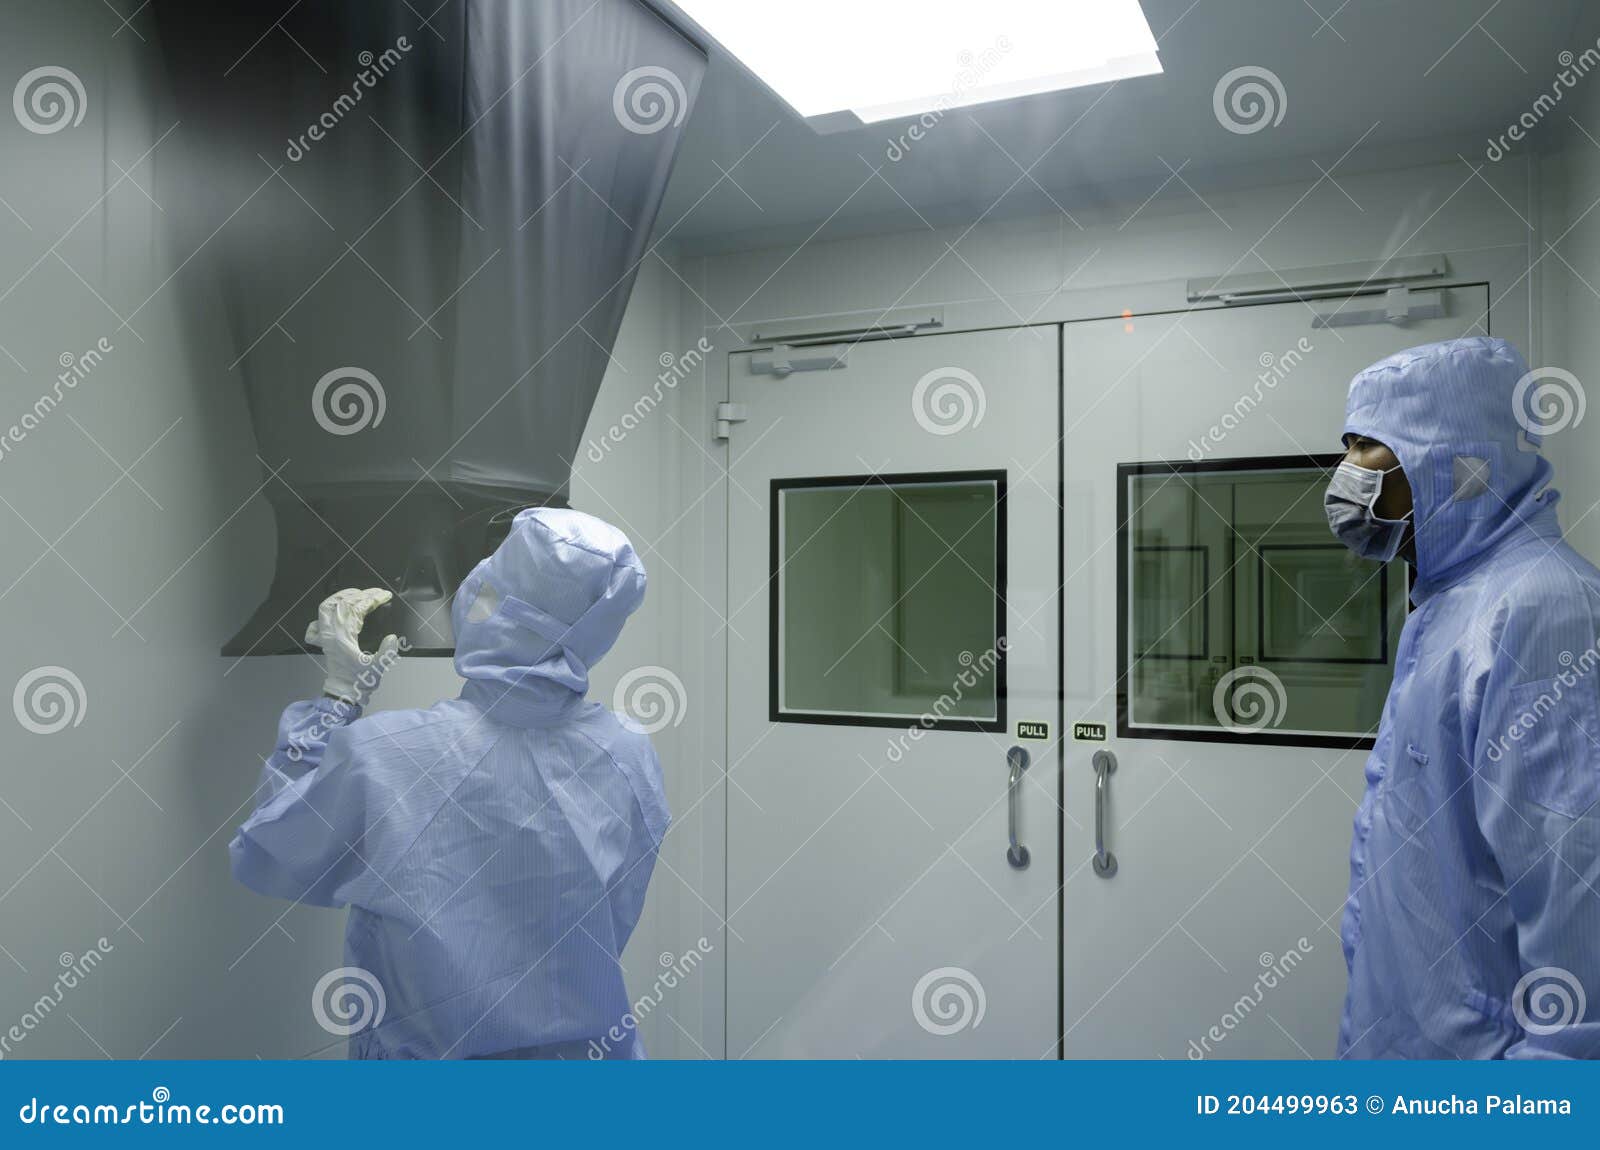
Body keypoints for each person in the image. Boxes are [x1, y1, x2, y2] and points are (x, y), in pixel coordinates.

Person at [229, 508, 669, 1059]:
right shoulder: (629, 754)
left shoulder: (389, 753)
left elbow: (269, 851)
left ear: (495, 604)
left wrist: (340, 695)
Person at [1326, 336, 1600, 1058]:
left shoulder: (1542, 609)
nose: (1348, 472)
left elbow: (1578, 893)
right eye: (1347, 447)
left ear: (1456, 463)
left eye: (1371, 447)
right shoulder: (1451, 602)